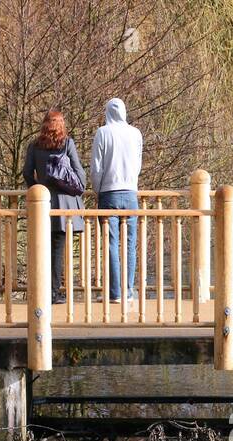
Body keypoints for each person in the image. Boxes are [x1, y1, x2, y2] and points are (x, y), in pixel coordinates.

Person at [22, 110, 85, 304]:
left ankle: (42, 291)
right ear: (62, 124)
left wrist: (38, 190)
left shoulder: (34, 145)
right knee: (57, 251)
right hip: (64, 208)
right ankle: (53, 292)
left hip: (42, 205)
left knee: (42, 250)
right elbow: (80, 176)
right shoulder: (67, 144)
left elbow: (26, 173)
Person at [90, 98, 143, 303]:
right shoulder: (135, 133)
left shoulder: (103, 133)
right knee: (130, 244)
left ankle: (115, 293)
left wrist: (97, 190)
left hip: (109, 193)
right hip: (130, 194)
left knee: (111, 243)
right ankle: (128, 290)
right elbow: (138, 164)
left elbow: (96, 168)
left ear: (107, 112)